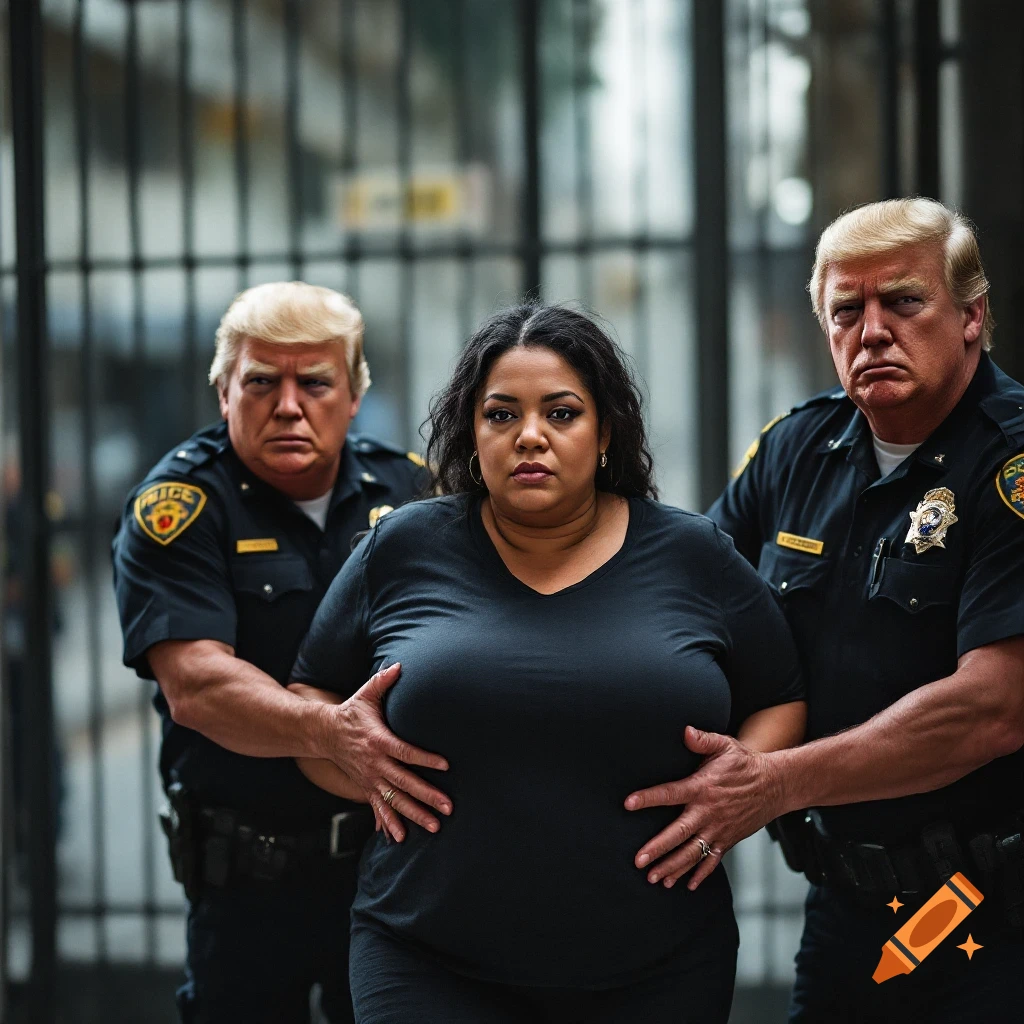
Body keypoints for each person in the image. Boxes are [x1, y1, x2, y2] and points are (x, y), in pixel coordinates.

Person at [289, 303, 807, 1024]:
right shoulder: (401, 548)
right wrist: (350, 757)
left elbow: (782, 695)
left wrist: (742, 792)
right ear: (473, 433)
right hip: (425, 959)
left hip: (659, 966)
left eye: (561, 413)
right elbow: (312, 696)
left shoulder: (694, 555)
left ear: (605, 433)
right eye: (501, 415)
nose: (529, 435)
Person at [621, 198, 1024, 1021]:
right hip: (849, 905)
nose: (872, 331)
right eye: (847, 310)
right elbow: (683, 608)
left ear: (972, 316)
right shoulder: (797, 448)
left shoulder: (1011, 465)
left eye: (903, 301)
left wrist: (771, 782)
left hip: (998, 912)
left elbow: (993, 709)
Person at [111, 281, 448, 1024]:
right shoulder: (180, 507)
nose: (289, 406)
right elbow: (197, 686)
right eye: (262, 382)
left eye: (315, 383)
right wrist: (330, 733)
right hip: (247, 886)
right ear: (224, 392)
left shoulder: (413, 492)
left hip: (392, 865)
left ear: (354, 396)